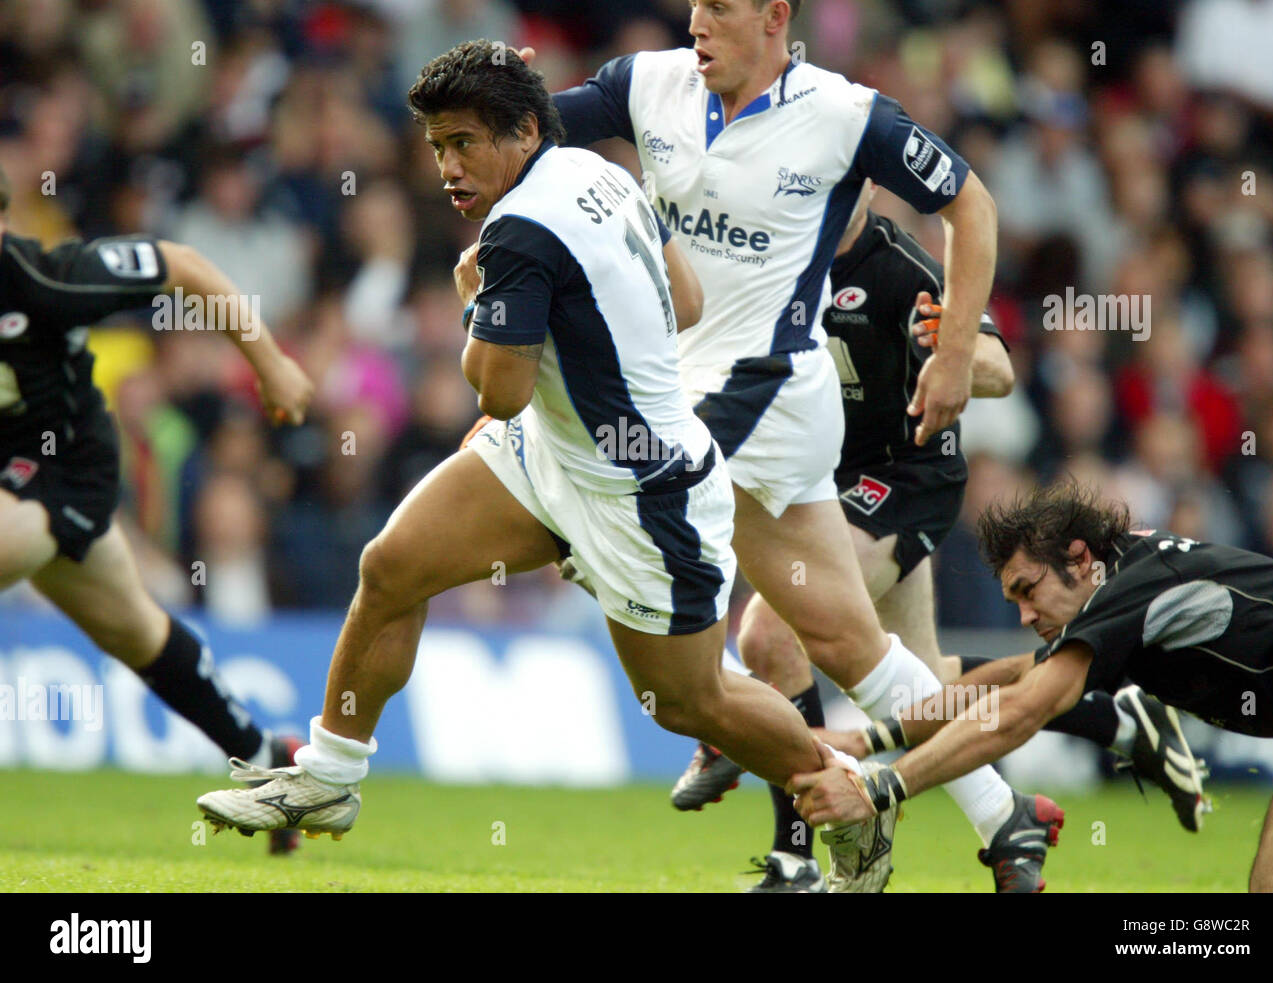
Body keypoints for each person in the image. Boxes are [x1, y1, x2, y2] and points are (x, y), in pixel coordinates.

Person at [194, 42, 886, 868]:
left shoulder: (520, 231)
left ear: (523, 131)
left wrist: (478, 305)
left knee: (687, 699)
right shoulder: (600, 172)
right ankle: (327, 774)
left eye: (464, 143)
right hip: (555, 453)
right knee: (392, 565)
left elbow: (497, 392)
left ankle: (848, 793)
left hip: (644, 492)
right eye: (438, 146)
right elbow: (688, 301)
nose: (449, 166)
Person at [527, 0, 1045, 893]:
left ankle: (717, 716)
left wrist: (957, 347)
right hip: (721, 399)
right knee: (853, 649)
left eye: (719, 8)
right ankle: (1007, 823)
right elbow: (528, 130)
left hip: (761, 391)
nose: (697, 22)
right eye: (692, 5)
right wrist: (481, 107)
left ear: (775, 17)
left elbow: (973, 204)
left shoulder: (845, 114)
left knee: (613, 491)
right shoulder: (648, 85)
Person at [672, 189, 1205, 891]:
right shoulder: (771, 255)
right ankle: (1114, 719)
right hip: (819, 484)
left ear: (863, 180)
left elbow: (1001, 369)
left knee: (775, 630)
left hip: (904, 477)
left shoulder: (901, 269)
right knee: (922, 689)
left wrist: (949, 349)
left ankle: (797, 855)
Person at [0, 163, 314, 854]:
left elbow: (186, 264)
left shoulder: (46, 278)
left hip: (61, 474)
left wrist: (271, 365)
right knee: (138, 632)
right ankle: (271, 755)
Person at [789, 481, 1273, 893]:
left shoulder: (1131, 586)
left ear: (1078, 558)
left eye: (1028, 591)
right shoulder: (1119, 578)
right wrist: (868, 741)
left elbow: (1019, 710)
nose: (1025, 614)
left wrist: (881, 788)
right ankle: (1130, 725)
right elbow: (1015, 676)